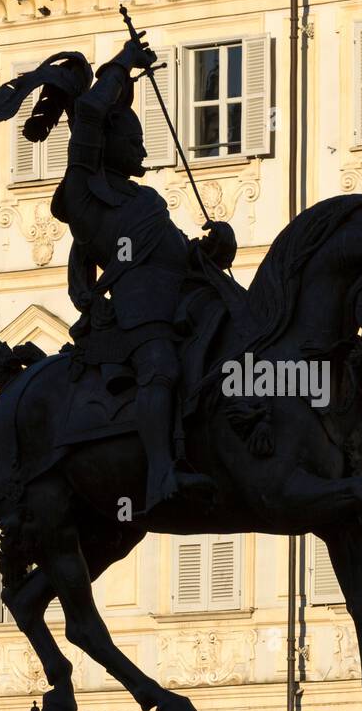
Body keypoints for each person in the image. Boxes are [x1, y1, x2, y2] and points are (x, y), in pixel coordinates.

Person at [52, 36, 236, 516]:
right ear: (106, 146)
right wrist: (121, 66)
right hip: (140, 313)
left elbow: (176, 254)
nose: (143, 150)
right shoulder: (85, 197)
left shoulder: (143, 201)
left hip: (182, 299)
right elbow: (90, 115)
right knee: (163, 368)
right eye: (133, 141)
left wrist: (212, 250)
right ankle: (160, 474)